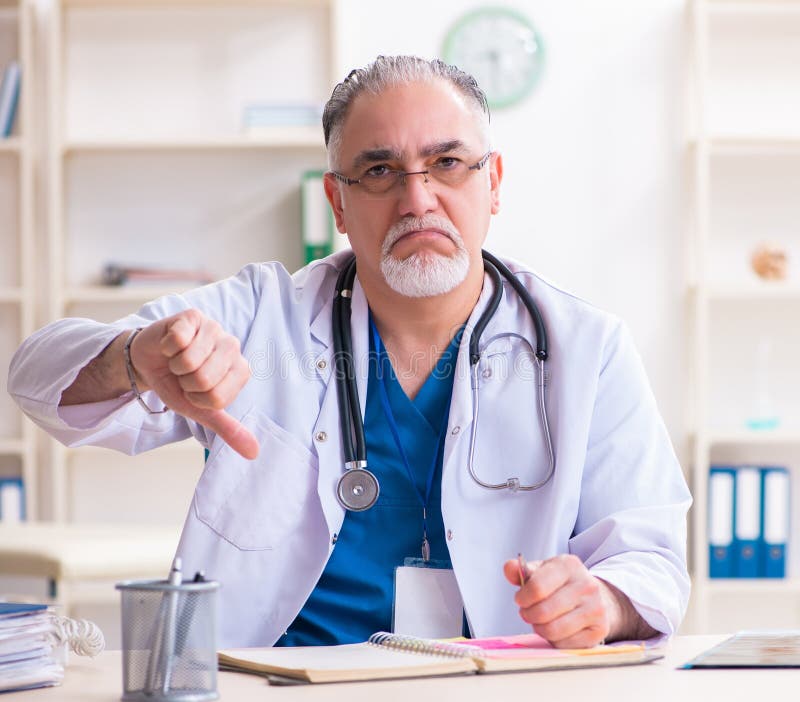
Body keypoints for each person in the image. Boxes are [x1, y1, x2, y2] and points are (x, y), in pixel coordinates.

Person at [8, 55, 690, 649]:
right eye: (380, 170)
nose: (417, 198)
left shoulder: (584, 349)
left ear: (494, 182)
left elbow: (651, 560)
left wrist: (604, 603)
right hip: (274, 679)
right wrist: (132, 357)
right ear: (337, 200)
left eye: (447, 163)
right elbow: (36, 377)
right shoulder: (260, 318)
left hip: (491, 680)